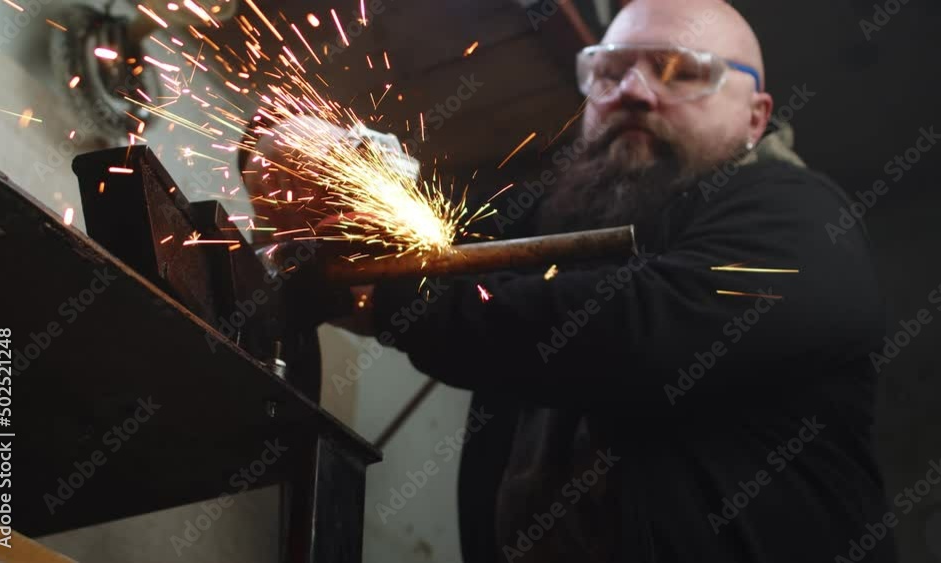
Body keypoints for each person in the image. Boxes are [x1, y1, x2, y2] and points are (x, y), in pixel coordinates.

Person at [249, 0, 896, 560]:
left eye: (681, 72)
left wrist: (404, 297)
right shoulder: (560, 215)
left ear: (757, 116)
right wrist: (335, 188)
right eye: (610, 71)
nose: (634, 90)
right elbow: (459, 269)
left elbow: (645, 327)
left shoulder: (803, 219)